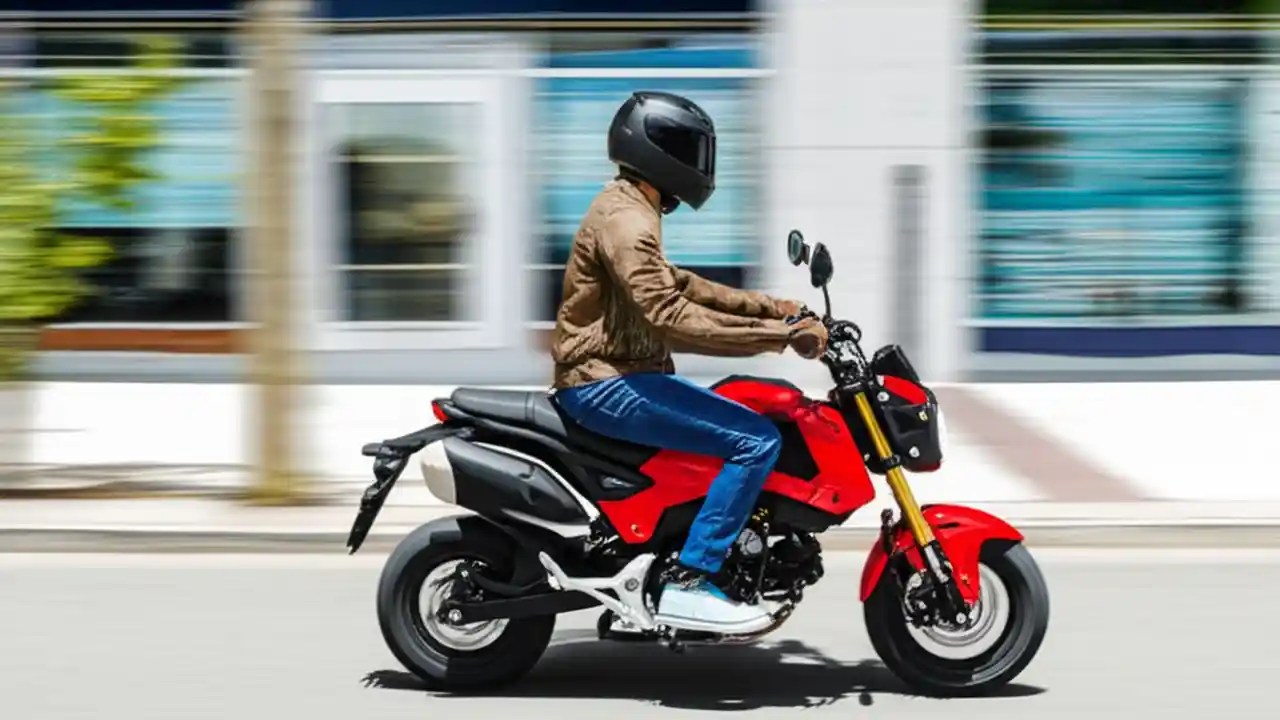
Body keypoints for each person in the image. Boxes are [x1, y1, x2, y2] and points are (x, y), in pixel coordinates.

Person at [550, 90, 828, 634]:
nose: (699, 167)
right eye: (690, 151)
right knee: (756, 440)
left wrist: (776, 308)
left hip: (621, 377)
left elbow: (680, 285)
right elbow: (669, 314)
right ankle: (692, 579)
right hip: (605, 383)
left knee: (740, 419)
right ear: (657, 149)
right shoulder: (627, 221)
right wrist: (779, 337)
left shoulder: (631, 208)